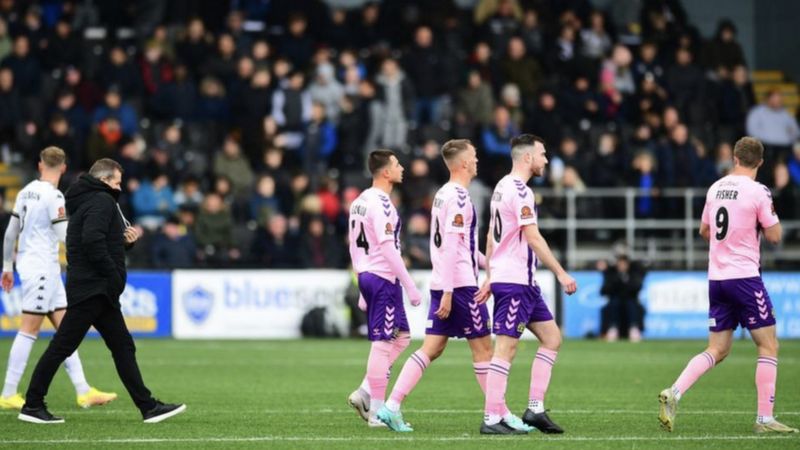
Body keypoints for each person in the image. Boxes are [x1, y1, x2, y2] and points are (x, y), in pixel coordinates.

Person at [377, 139, 530, 432]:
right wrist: (450, 291)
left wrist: (491, 266)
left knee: (431, 348)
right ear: (462, 163)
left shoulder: (443, 194)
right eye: (473, 156)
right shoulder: (458, 198)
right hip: (458, 287)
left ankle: (391, 406)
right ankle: (498, 414)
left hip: (444, 282)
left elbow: (462, 246)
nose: (476, 160)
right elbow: (449, 247)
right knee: (485, 351)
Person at [18, 158, 185, 424]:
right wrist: (113, 274)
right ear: (104, 180)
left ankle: (148, 406)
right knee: (64, 347)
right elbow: (92, 240)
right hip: (94, 288)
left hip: (93, 287)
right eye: (117, 182)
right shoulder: (102, 201)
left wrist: (122, 243)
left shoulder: (86, 200)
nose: (119, 187)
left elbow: (93, 239)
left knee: (121, 346)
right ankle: (32, 404)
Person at [659, 137, 798, 434]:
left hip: (717, 279)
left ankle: (675, 391)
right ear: (760, 162)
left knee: (717, 348)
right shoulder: (759, 191)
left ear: (735, 157)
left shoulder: (716, 187)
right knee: (769, 345)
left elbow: (705, 230)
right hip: (745, 278)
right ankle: (764, 419)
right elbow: (774, 237)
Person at [0, 148, 117, 411]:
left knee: (67, 331)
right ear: (64, 168)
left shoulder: (25, 191)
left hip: (40, 268)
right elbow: (66, 235)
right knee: (29, 329)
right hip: (41, 269)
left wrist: (7, 267)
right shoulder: (54, 197)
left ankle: (83, 390)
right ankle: (8, 392)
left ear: (40, 163)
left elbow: (10, 234)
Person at [478, 134, 577, 435]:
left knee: (552, 338)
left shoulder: (501, 187)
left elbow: (492, 237)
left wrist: (490, 275)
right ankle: (492, 417)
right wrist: (561, 273)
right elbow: (533, 237)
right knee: (505, 349)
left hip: (521, 281)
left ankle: (535, 409)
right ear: (527, 158)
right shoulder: (520, 191)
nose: (546, 160)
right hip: (515, 281)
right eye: (543, 154)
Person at [346, 150, 422, 427]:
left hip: (369, 276)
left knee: (401, 337)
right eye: (397, 164)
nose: (402, 167)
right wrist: (410, 285)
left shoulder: (359, 201)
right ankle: (376, 412)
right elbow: (389, 249)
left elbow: (353, 244)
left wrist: (360, 278)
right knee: (383, 343)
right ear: (386, 172)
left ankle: (365, 390)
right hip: (383, 278)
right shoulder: (382, 205)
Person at [599, 253, 646, 342]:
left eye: (624, 264)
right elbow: (604, 290)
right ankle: (613, 328)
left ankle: (634, 328)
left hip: (630, 300)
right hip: (615, 300)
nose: (622, 266)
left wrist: (625, 284)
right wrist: (618, 281)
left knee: (631, 304)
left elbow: (637, 287)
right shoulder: (611, 274)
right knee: (614, 303)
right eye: (620, 264)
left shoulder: (633, 274)